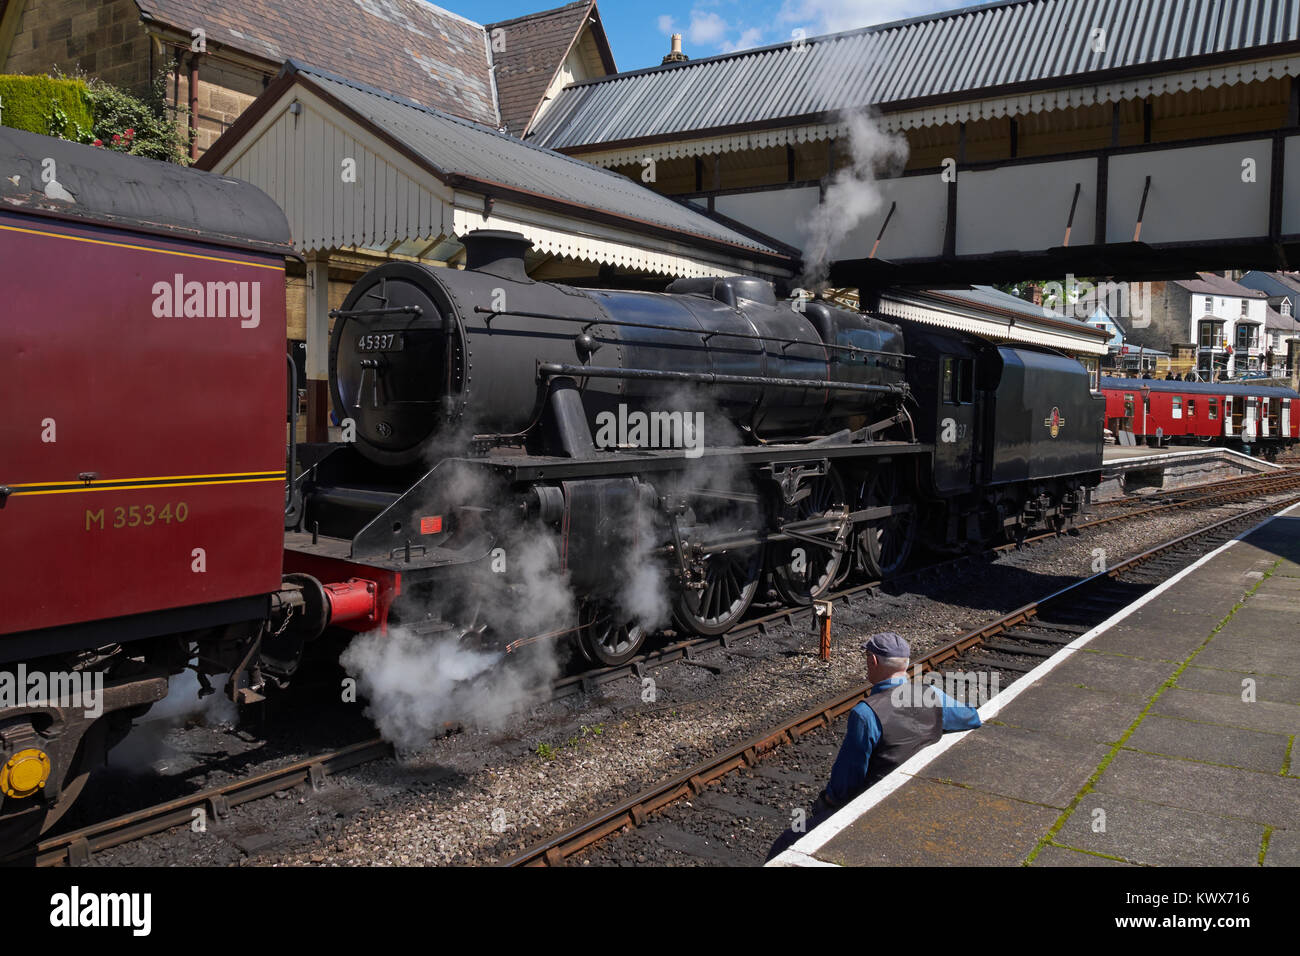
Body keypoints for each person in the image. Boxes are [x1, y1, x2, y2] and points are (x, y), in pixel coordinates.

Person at [766, 633, 982, 860]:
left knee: (787, 840)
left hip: (878, 805)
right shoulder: (931, 694)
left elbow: (846, 782)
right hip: (918, 793)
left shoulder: (866, 714)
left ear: (873, 661)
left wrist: (827, 801)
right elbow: (971, 717)